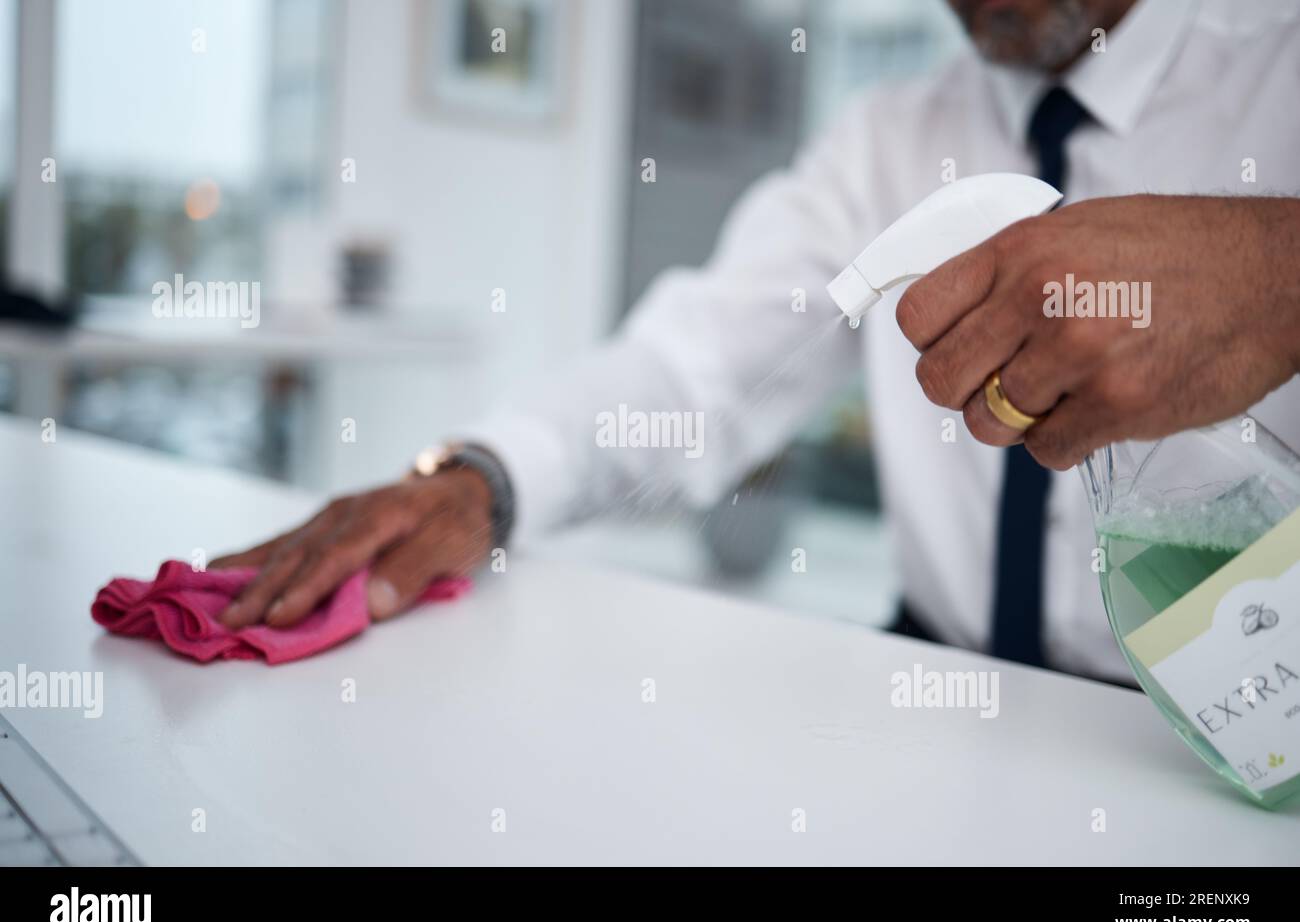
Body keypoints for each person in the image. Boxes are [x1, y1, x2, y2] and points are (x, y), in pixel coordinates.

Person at [215, 0, 1300, 684]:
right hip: (936, 689)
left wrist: (1275, 271)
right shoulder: (888, 134)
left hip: (1237, 730)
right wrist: (483, 481)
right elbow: (697, 365)